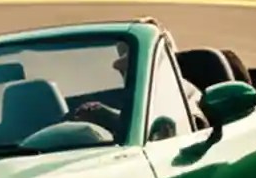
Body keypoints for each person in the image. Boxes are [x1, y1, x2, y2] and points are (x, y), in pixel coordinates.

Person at [65, 40, 209, 140]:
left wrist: (107, 116)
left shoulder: (183, 91)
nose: (121, 69)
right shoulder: (129, 97)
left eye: (130, 63)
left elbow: (193, 127)